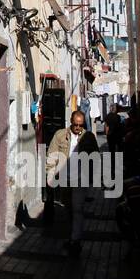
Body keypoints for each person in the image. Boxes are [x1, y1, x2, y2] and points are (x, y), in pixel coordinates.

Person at [46, 110, 100, 258]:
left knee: (77, 209)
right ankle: (72, 237)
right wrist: (50, 173)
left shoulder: (88, 137)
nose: (78, 127)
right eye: (75, 124)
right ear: (71, 121)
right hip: (65, 178)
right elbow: (52, 155)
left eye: (80, 125)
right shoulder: (60, 135)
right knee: (68, 208)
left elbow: (96, 156)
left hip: (81, 179)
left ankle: (76, 240)